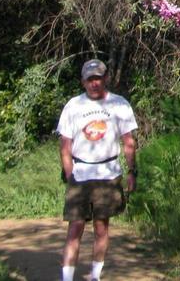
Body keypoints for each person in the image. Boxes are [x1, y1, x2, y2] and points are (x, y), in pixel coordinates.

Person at [57, 59, 138, 281]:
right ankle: (67, 278)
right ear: (83, 81)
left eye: (98, 78)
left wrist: (132, 172)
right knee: (75, 229)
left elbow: (128, 141)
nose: (94, 83)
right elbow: (65, 145)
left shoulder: (119, 104)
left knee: (102, 228)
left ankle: (95, 276)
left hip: (108, 175)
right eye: (90, 79)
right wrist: (69, 173)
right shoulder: (73, 106)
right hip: (80, 174)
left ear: (105, 79)